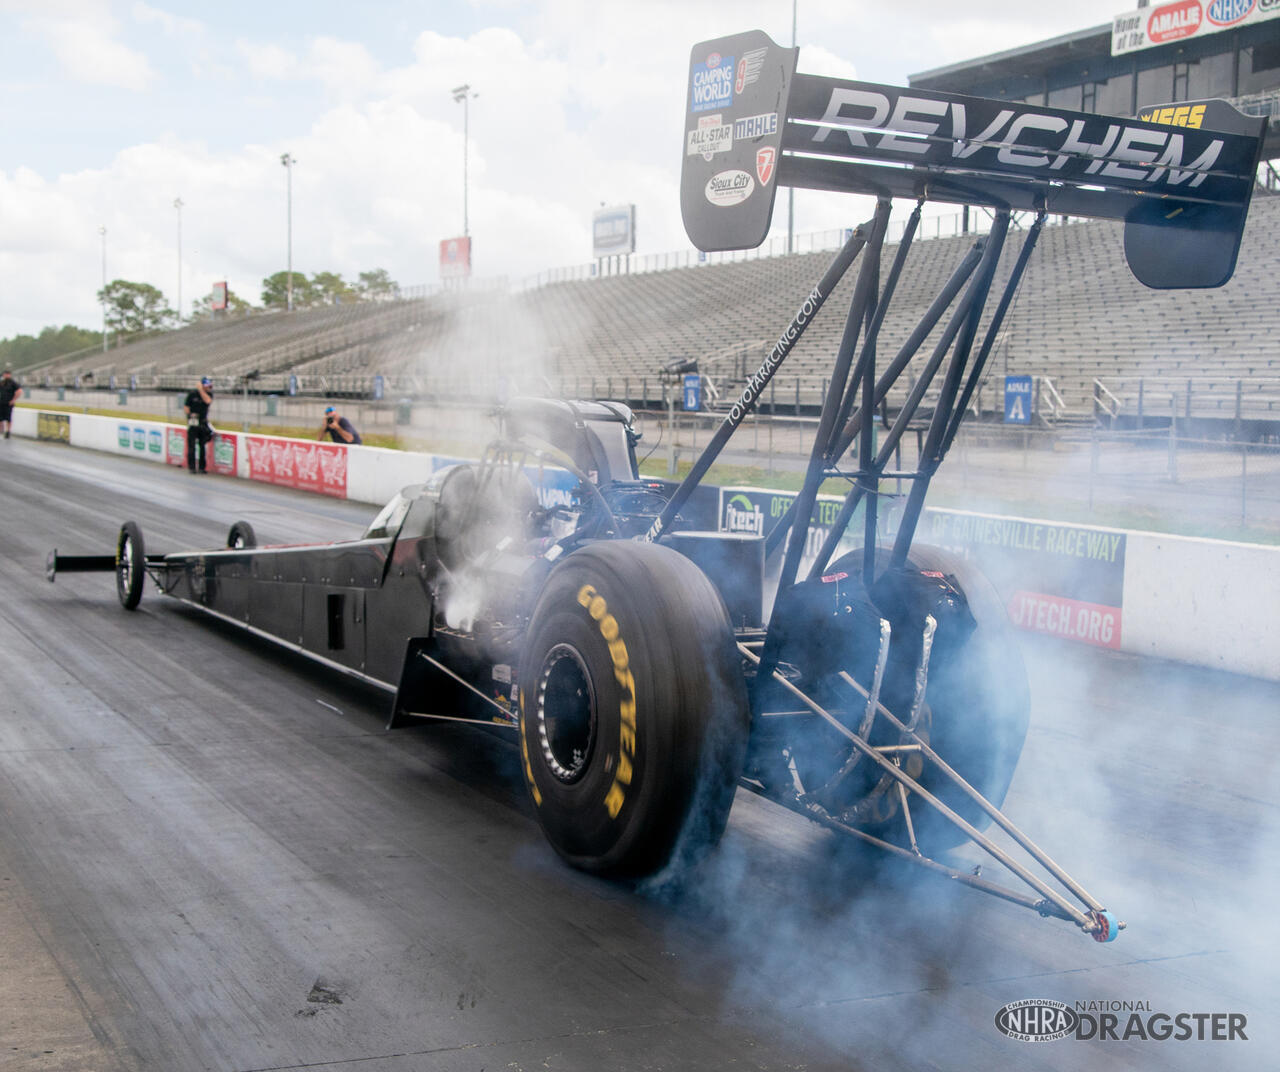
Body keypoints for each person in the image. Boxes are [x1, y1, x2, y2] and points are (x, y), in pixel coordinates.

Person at [183, 376, 215, 472]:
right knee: (191, 445)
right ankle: (192, 467)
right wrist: (190, 416)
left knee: (202, 446)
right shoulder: (192, 394)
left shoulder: (208, 394)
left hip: (203, 422)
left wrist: (201, 391)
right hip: (193, 422)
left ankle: (202, 467)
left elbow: (208, 401)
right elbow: (186, 407)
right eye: (207, 386)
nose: (208, 388)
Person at [0, 369, 22, 439]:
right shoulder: (2, 382)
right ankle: (1, 431)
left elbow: (19, 391)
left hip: (8, 403)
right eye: (5, 374)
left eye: (7, 374)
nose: (6, 375)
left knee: (8, 418)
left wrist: (13, 400)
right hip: (1, 403)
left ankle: (8, 431)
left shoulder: (12, 383)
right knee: (0, 419)